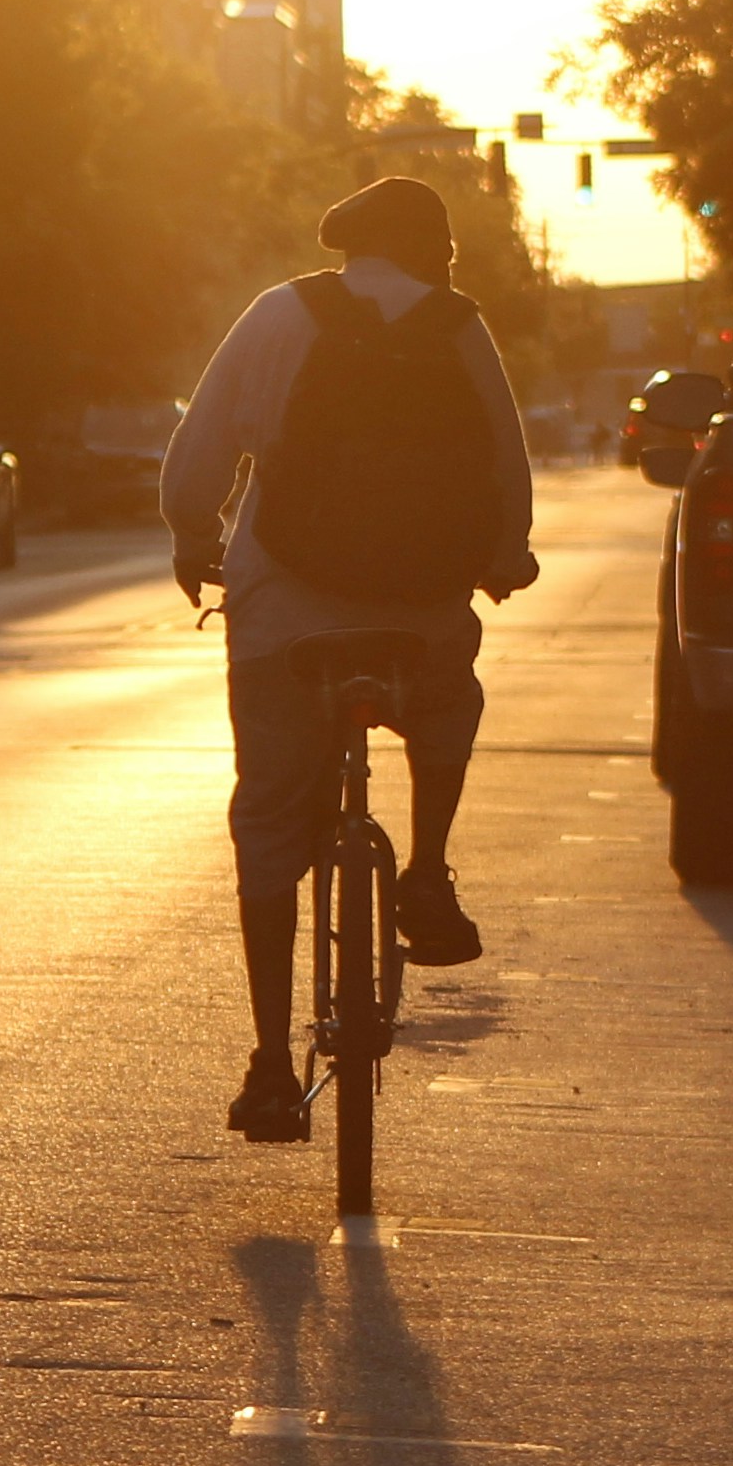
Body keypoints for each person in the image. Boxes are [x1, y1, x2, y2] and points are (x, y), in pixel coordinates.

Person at [159, 175, 543, 1142]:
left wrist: (191, 539)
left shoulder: (278, 315)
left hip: (287, 613)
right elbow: (505, 460)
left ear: (348, 248)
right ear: (432, 252)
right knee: (449, 703)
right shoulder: (458, 326)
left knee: (269, 821)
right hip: (419, 613)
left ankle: (271, 1066)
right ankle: (426, 870)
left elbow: (198, 453)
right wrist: (501, 560)